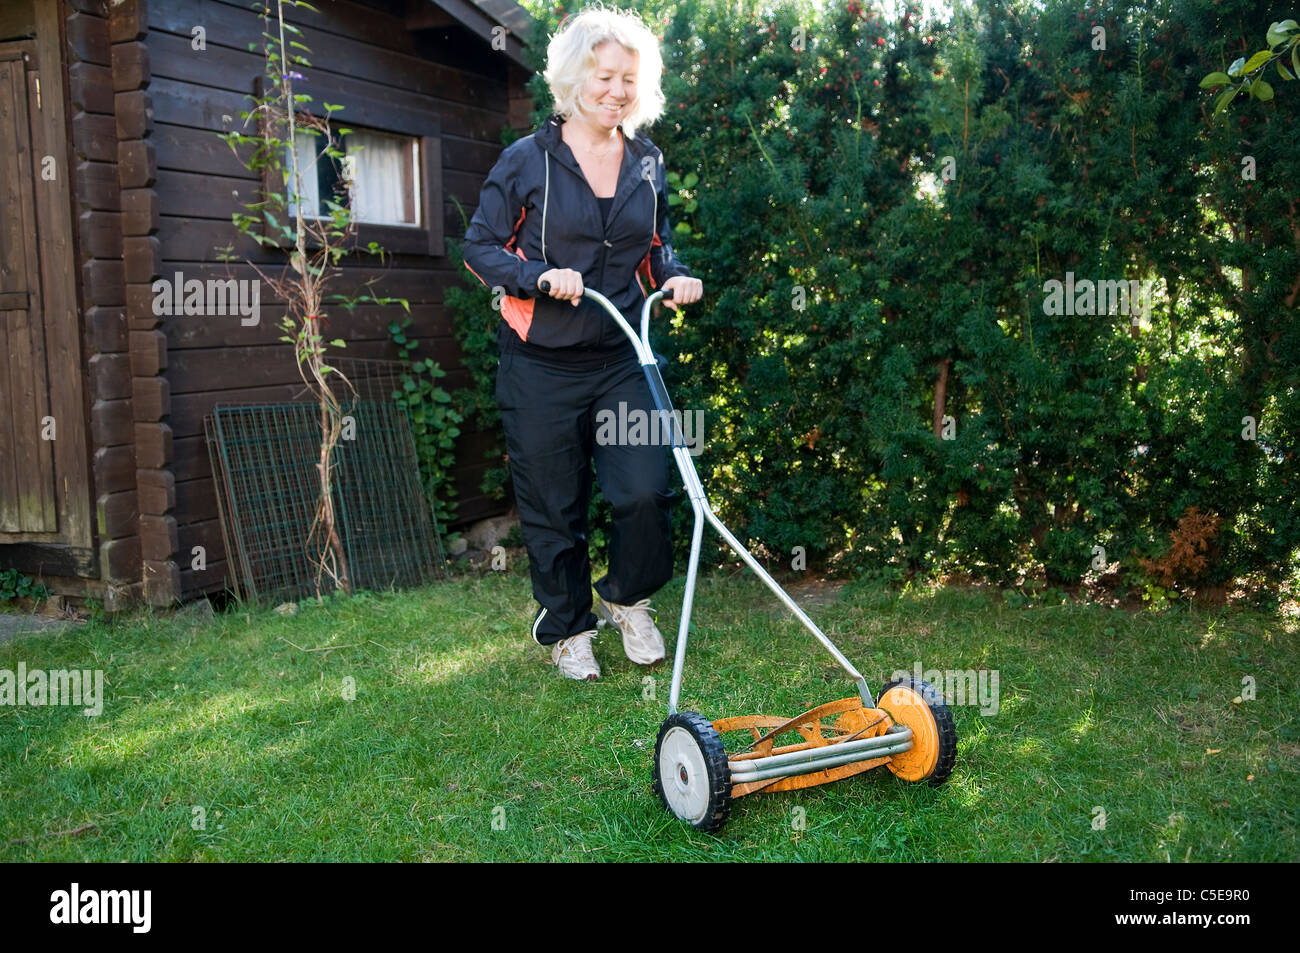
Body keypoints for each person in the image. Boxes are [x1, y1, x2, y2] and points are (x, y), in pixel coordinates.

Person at [462, 6, 703, 680]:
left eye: (629, 78)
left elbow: (654, 249)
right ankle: (567, 627)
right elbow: (479, 248)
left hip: (621, 356)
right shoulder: (528, 160)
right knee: (552, 506)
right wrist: (536, 276)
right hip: (539, 364)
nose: (616, 90)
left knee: (644, 491)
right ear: (576, 78)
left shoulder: (647, 161)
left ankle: (627, 595)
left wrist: (676, 278)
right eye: (604, 75)